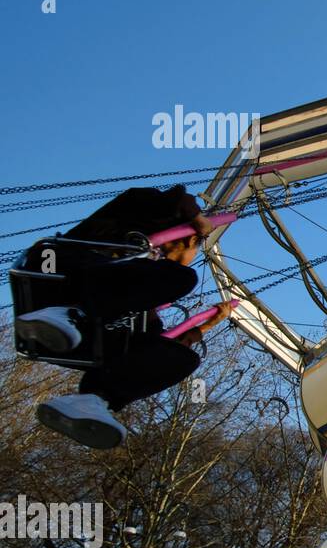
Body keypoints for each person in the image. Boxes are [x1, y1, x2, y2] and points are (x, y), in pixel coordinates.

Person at [16, 185, 233, 449]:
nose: (189, 260)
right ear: (189, 239)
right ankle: (74, 314)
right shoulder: (131, 221)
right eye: (196, 251)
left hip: (86, 333)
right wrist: (199, 220)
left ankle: (94, 399)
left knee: (184, 358)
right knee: (182, 277)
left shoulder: (137, 285)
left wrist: (205, 327)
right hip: (60, 273)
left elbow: (156, 343)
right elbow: (175, 197)